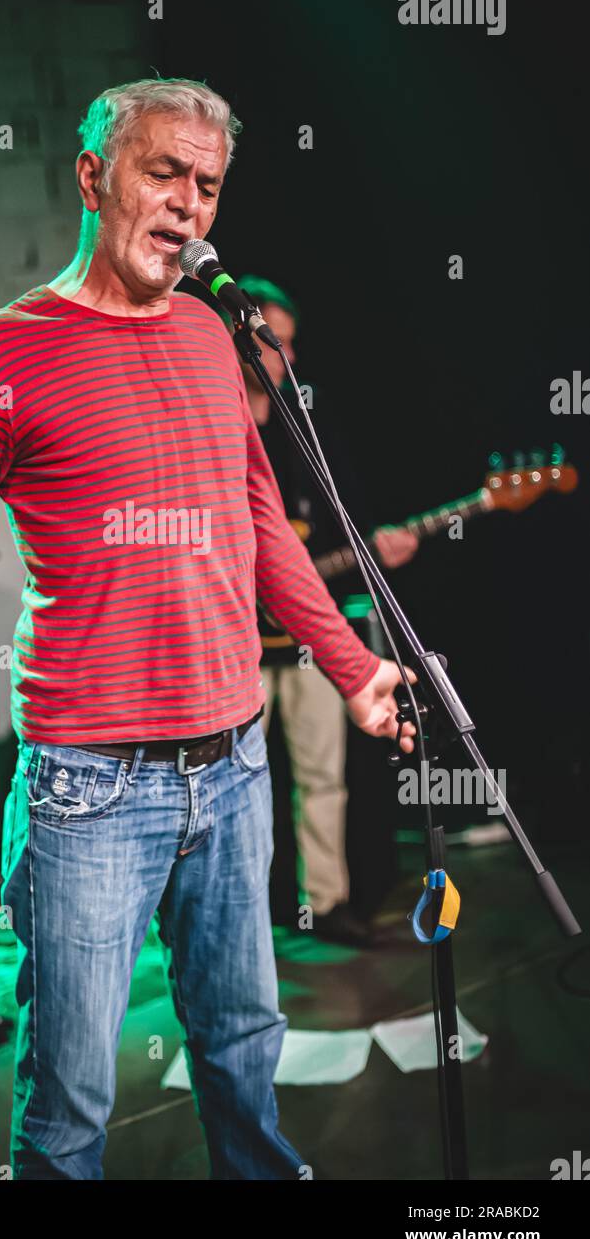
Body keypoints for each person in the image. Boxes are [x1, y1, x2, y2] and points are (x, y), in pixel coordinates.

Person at [0, 78, 415, 1180]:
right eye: (162, 173)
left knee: (245, 1051)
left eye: (207, 184)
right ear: (92, 178)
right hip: (90, 792)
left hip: (233, 767)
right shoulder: (3, 353)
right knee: (67, 1114)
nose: (188, 204)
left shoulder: (207, 336)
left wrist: (351, 666)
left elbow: (256, 524)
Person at [233, 277, 419, 945]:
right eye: (261, 338)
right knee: (236, 791)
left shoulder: (301, 430)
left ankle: (327, 901)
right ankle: (244, 914)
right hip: (235, 646)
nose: (273, 353)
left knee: (322, 778)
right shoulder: (213, 425)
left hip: (307, 643)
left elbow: (329, 538)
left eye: (282, 342)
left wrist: (376, 550)